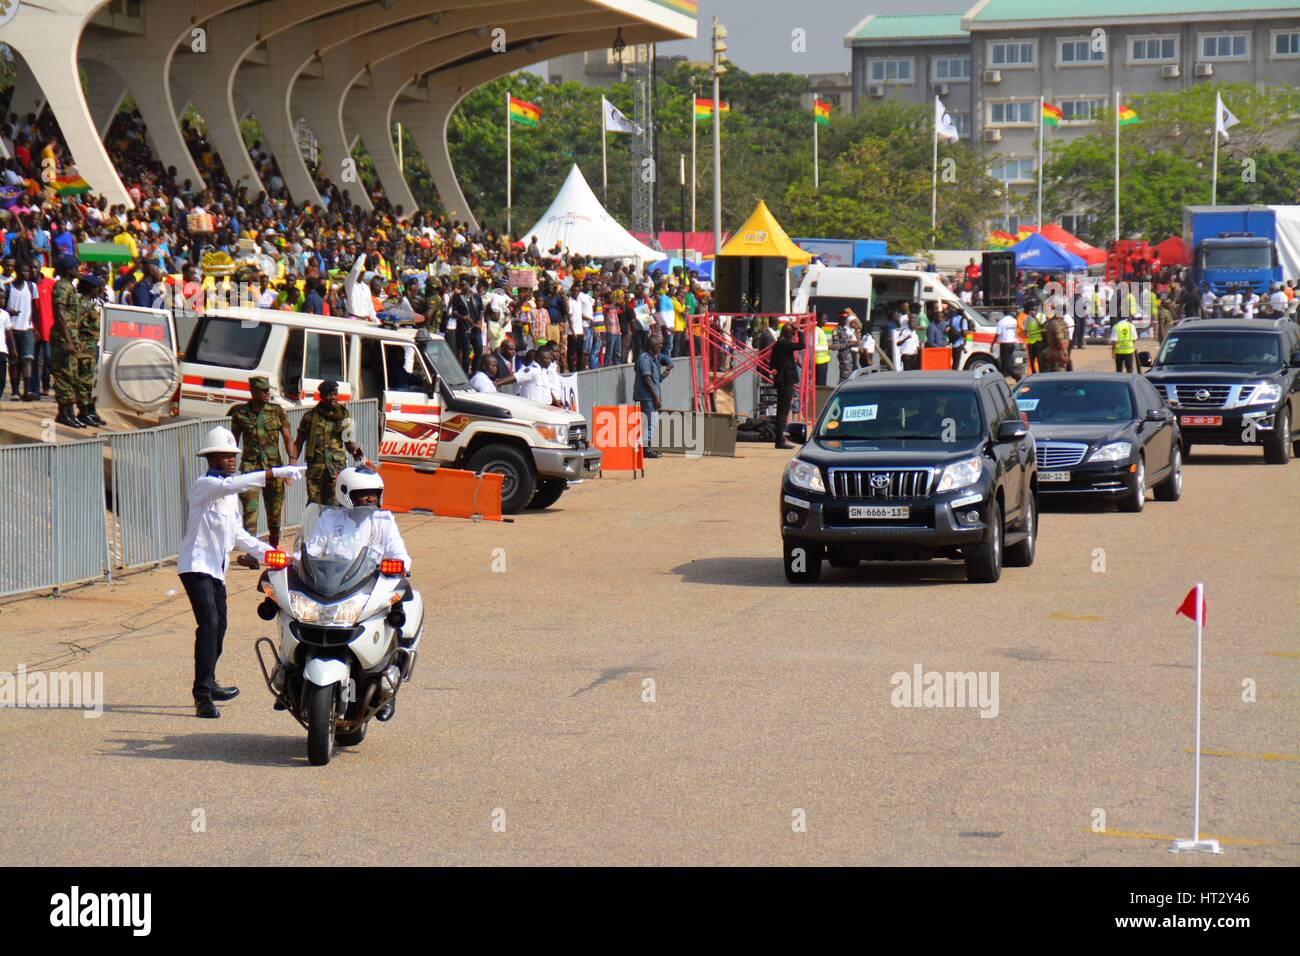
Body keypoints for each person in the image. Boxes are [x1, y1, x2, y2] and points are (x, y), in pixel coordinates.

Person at [178, 425, 304, 718]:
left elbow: (238, 535)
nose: (232, 459)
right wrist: (275, 473)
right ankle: (202, 696)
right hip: (195, 567)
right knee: (208, 623)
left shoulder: (229, 492)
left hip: (215, 571)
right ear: (211, 458)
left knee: (219, 627)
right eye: (225, 455)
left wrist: (271, 555)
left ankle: (209, 681)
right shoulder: (205, 485)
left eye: (234, 454)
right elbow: (233, 485)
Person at [300, 465, 411, 721]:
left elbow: (400, 555)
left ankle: (387, 685)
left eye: (374, 493)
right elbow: (313, 549)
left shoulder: (384, 520)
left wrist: (398, 566)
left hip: (368, 589)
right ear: (345, 494)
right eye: (363, 494)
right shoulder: (329, 519)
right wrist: (296, 561)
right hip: (331, 588)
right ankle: (286, 670)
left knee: (397, 618)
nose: (370, 499)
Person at [228, 375, 297, 570]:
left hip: (274, 468)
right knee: (250, 511)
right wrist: (229, 468)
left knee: (274, 513)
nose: (268, 394)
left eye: (268, 390)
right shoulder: (240, 413)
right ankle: (252, 554)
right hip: (250, 468)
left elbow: (288, 438)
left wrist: (291, 465)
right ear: (253, 391)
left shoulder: (276, 411)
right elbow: (233, 441)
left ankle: (272, 549)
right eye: (263, 390)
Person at [293, 379, 365, 519]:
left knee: (335, 506)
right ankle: (311, 536)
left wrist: (360, 456)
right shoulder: (310, 417)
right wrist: (292, 463)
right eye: (328, 394)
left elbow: (350, 443)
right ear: (321, 396)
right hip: (316, 471)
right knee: (314, 507)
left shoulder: (344, 416)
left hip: (336, 470)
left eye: (335, 394)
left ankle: (333, 537)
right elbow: (299, 442)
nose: (332, 397)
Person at [50, 255, 85, 428]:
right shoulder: (62, 287)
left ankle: (67, 413)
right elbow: (60, 314)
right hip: (63, 338)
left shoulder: (69, 286)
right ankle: (65, 413)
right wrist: (69, 340)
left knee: (70, 375)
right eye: (75, 268)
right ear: (68, 269)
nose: (78, 271)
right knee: (64, 375)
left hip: (70, 337)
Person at [74, 271, 105, 426]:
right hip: (84, 347)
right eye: (97, 288)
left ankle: (89, 410)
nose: (99, 290)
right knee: (85, 381)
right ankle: (83, 411)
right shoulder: (83, 304)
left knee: (91, 381)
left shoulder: (90, 303)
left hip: (92, 346)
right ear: (90, 288)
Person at [634, 333, 672, 458]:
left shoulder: (652, 358)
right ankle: (646, 449)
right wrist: (656, 397)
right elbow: (647, 379)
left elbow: (655, 379)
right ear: (654, 346)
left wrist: (663, 375)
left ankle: (647, 446)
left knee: (650, 422)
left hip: (650, 396)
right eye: (659, 346)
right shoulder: (644, 359)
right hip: (647, 397)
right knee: (651, 422)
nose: (660, 349)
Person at [770, 321, 804, 449]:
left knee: (782, 411)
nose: (794, 335)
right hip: (785, 380)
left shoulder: (778, 344)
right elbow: (802, 344)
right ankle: (780, 440)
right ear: (790, 334)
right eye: (793, 333)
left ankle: (781, 438)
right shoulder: (785, 344)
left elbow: (772, 363)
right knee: (783, 412)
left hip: (781, 379)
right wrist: (799, 330)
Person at [1039, 308, 1071, 373]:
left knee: (1042, 357)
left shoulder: (1054, 323)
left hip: (1055, 349)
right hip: (1064, 348)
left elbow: (1059, 338)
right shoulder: (1064, 323)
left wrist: (1064, 351)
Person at [995, 309, 1019, 377]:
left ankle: (1016, 376)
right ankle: (1004, 375)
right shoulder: (1014, 321)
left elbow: (998, 334)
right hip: (1012, 343)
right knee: (1008, 360)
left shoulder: (1001, 321)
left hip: (1005, 343)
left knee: (1005, 362)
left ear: (1004, 313)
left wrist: (993, 342)